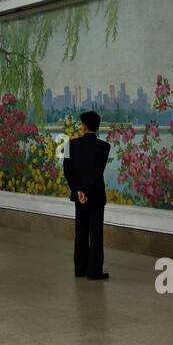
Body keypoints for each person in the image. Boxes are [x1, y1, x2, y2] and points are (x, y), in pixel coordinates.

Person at [63, 111, 111, 280]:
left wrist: (78, 191)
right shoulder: (104, 147)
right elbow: (97, 173)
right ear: (97, 127)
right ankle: (94, 271)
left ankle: (80, 269)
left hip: (79, 196)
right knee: (96, 233)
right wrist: (87, 191)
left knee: (81, 232)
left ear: (84, 126)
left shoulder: (70, 145)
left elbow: (68, 171)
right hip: (96, 196)